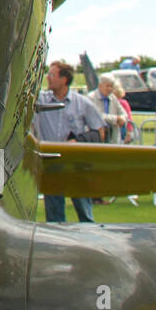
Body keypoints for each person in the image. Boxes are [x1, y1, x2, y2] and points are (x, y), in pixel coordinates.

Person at [35, 61, 106, 223]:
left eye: (52, 74)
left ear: (64, 79)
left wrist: (78, 141)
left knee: (85, 212)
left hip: (76, 164)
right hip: (51, 164)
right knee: (54, 216)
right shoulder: (40, 100)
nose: (48, 77)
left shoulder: (83, 103)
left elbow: (100, 132)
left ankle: (89, 241)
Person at [93, 75, 129, 143]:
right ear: (100, 86)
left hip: (113, 137)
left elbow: (123, 113)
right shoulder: (91, 98)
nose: (110, 89)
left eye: (111, 86)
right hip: (97, 136)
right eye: (107, 86)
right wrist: (116, 119)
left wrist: (122, 119)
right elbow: (96, 115)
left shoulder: (113, 98)